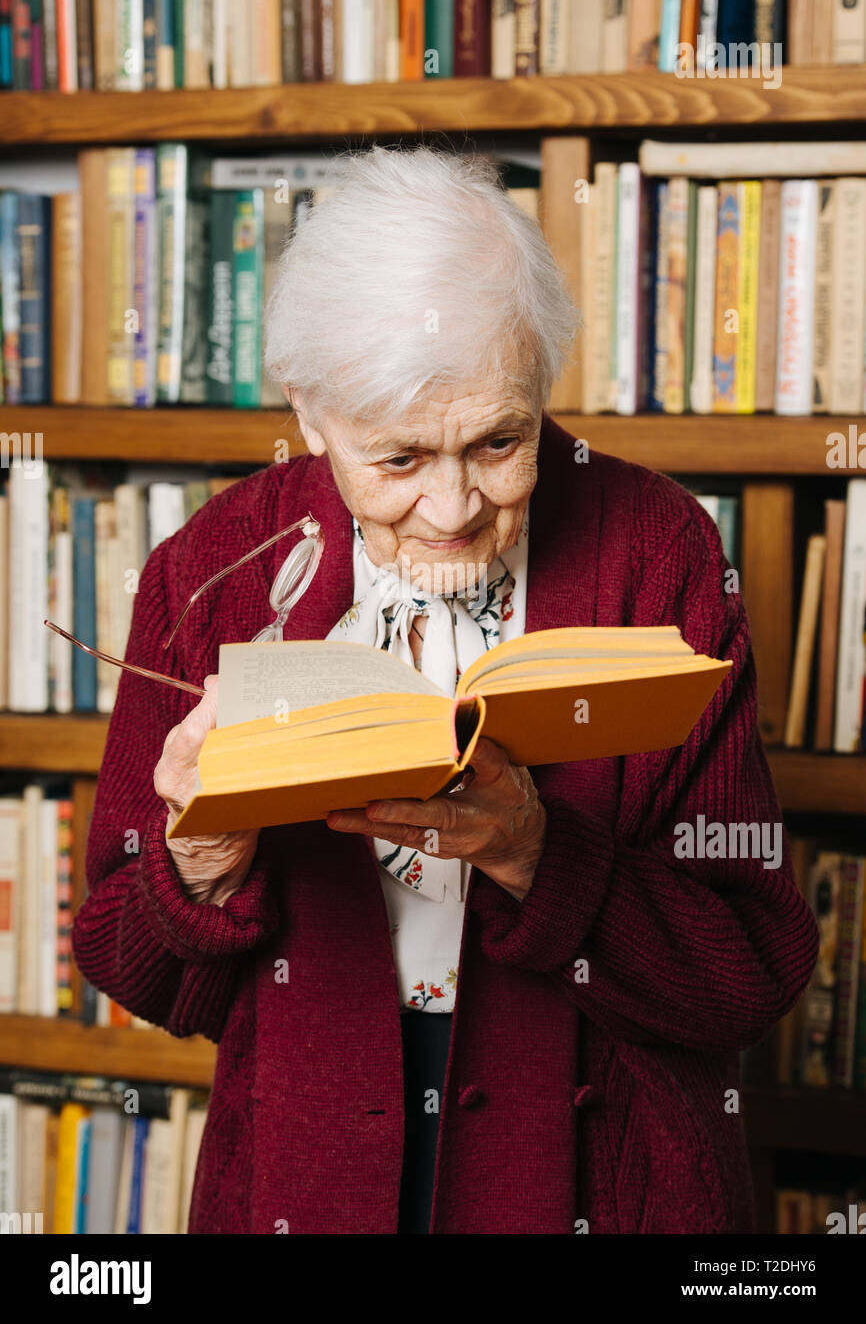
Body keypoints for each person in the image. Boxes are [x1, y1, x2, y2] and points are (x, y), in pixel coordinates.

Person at [73, 145, 818, 1234]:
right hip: (300, 1176)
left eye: (498, 441)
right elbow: (136, 974)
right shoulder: (207, 571)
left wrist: (534, 850)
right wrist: (193, 863)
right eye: (399, 458)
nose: (453, 505)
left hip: (597, 1181)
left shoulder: (659, 551)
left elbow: (750, 975)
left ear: (539, 385)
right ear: (311, 412)